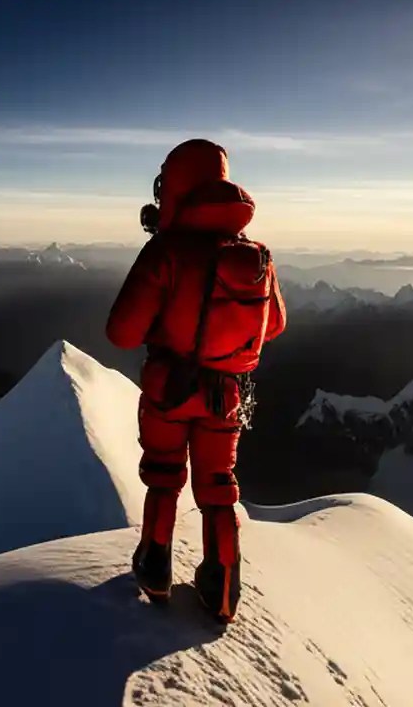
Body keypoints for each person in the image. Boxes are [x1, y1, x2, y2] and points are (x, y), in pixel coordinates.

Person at [106, 138, 286, 623]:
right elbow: (276, 326)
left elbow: (121, 332)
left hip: (169, 389)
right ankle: (223, 579)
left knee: (164, 475)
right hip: (225, 394)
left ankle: (155, 564)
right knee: (217, 485)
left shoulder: (165, 252)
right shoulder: (256, 256)